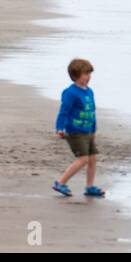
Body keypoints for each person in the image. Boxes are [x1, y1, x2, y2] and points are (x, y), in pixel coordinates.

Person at [52, 58, 103, 198]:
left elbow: (92, 110)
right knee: (83, 159)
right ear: (75, 76)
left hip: (88, 131)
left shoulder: (89, 91)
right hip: (75, 131)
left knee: (92, 159)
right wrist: (60, 127)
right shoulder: (70, 92)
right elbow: (64, 111)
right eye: (85, 74)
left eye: (89, 74)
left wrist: (93, 129)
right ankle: (60, 182)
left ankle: (89, 187)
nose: (88, 77)